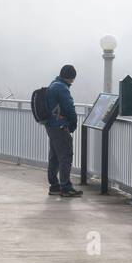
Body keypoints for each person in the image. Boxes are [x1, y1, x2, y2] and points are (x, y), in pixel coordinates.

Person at [45, 64, 82, 198]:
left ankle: (54, 186)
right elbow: (69, 108)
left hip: (50, 125)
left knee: (54, 156)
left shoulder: (53, 84)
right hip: (60, 126)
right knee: (66, 155)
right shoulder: (62, 88)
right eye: (73, 79)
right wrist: (73, 123)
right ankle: (66, 187)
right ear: (70, 77)